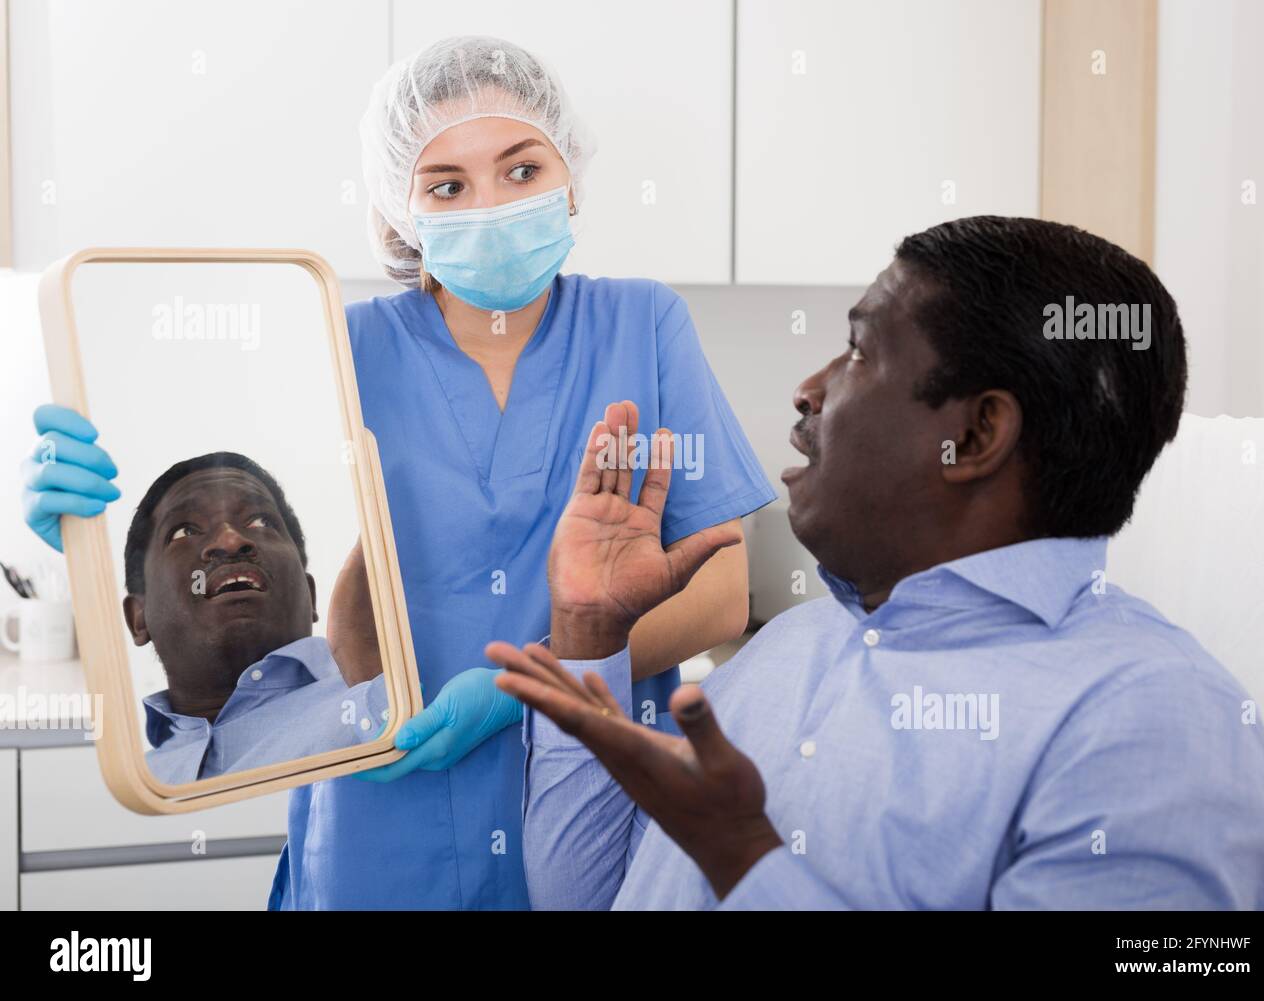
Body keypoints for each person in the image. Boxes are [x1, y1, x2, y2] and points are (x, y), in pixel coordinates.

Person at [20, 36, 774, 908]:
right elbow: (224, 548)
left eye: (521, 170)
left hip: (595, 817)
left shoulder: (644, 323)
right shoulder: (335, 346)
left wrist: (517, 686)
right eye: (446, 185)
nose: (488, 205)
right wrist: (87, 531)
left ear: (570, 175)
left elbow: (720, 593)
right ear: (398, 211)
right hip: (380, 837)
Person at [490, 216, 1264, 910]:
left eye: (858, 352)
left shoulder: (1151, 725)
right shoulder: (793, 648)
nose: (808, 390)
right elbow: (591, 897)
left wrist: (742, 857)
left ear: (975, 436)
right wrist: (591, 631)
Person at [123, 452, 387, 783]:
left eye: (261, 522)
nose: (231, 541)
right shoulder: (130, 788)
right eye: (185, 530)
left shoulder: (388, 696)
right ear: (138, 617)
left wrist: (379, 686)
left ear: (310, 594)